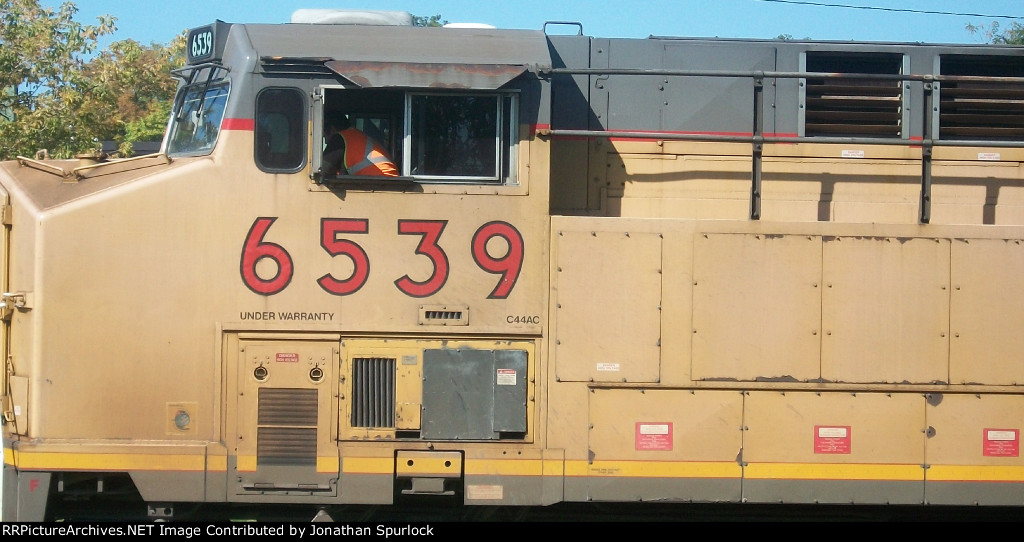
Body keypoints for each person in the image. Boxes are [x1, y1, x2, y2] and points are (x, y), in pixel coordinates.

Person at [322, 111, 398, 177]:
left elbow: (323, 171)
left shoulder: (339, 138)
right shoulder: (357, 138)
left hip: (378, 185)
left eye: (325, 136)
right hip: (390, 184)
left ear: (332, 129)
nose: (326, 142)